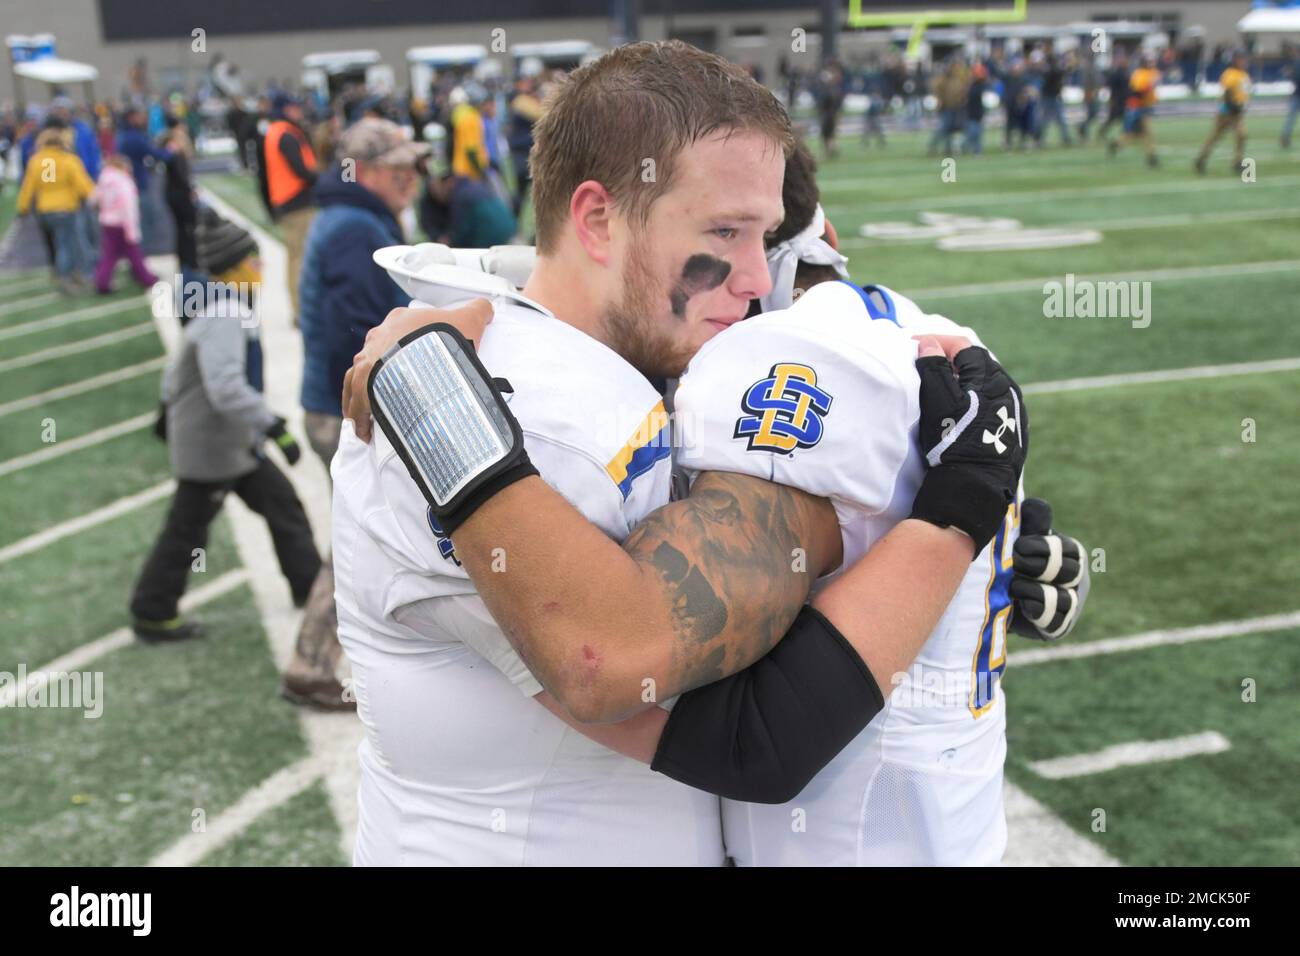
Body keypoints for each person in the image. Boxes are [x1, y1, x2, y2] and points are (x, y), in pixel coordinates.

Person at [327, 41, 1043, 866]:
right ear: (597, 218)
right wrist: (957, 514)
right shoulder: (510, 406)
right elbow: (671, 692)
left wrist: (990, 566)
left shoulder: (637, 364)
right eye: (724, 232)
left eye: (765, 235)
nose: (753, 277)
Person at [285, 117, 431, 709]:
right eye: (400, 169)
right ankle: (312, 665)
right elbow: (364, 331)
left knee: (359, 537)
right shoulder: (352, 227)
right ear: (365, 172)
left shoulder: (350, 217)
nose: (412, 180)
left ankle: (316, 658)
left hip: (335, 404)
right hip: (343, 410)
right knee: (357, 541)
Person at [130, 212, 320, 642]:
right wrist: (275, 427)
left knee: (282, 507)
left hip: (229, 444)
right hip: (213, 448)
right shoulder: (226, 313)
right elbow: (225, 388)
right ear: (234, 267)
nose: (262, 268)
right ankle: (152, 611)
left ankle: (310, 589)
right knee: (188, 530)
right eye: (255, 261)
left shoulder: (222, 304)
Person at [257, 92, 318, 319]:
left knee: (295, 257)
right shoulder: (286, 134)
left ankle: (299, 310)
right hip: (296, 202)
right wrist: (323, 178)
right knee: (300, 260)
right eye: (294, 107)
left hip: (286, 201)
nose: (299, 111)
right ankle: (300, 312)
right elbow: (301, 170)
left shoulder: (275, 131)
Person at [16, 127, 96, 296]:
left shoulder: (36, 161)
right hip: (66, 208)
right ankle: (70, 276)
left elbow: (28, 187)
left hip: (45, 210)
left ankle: (70, 274)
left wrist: (23, 207)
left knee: (62, 243)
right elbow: (83, 183)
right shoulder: (69, 160)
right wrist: (96, 198)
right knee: (71, 243)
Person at [93, 154, 158, 294]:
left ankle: (102, 281)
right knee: (133, 253)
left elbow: (96, 199)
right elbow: (128, 206)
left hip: (108, 222)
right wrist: (132, 229)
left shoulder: (104, 179)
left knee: (110, 255)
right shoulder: (123, 181)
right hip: (122, 223)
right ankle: (146, 278)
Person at [116, 106, 172, 251]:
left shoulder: (125, 135)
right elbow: (152, 152)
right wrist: (170, 153)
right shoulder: (132, 137)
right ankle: (142, 253)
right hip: (136, 182)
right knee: (142, 218)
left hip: (54, 204)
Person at [418, 172, 516, 248]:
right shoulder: (474, 185)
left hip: (492, 237)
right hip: (511, 228)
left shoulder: (459, 198)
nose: (439, 196)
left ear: (448, 182)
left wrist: (448, 240)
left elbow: (457, 233)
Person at [1195, 51, 1250, 175]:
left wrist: (1243, 104)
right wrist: (1234, 106)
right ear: (1235, 61)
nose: (1243, 62)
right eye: (1241, 59)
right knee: (1216, 137)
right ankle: (1201, 158)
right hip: (1227, 112)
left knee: (1241, 136)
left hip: (1237, 111)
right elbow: (1227, 93)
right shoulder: (1230, 74)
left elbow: (1243, 91)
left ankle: (1237, 162)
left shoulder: (1243, 74)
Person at [1108, 51, 1160, 167]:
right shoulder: (1139, 74)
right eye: (1149, 62)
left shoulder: (1152, 73)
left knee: (1147, 133)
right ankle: (1116, 144)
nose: (1151, 64)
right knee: (1129, 135)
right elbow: (1136, 91)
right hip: (1135, 107)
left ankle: (1152, 156)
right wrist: (1148, 89)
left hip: (1145, 107)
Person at [160, 125, 199, 269]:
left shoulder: (170, 152)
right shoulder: (175, 152)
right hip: (180, 196)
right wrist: (190, 190)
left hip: (173, 194)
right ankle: (190, 260)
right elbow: (182, 176)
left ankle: (185, 260)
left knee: (181, 230)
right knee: (188, 229)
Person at [1281, 44, 1300, 148]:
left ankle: (1285, 137)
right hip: (1297, 94)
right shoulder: (1296, 63)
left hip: (1297, 94)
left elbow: (1294, 77)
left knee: (1291, 117)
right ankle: (1285, 137)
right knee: (1291, 117)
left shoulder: (1296, 63)